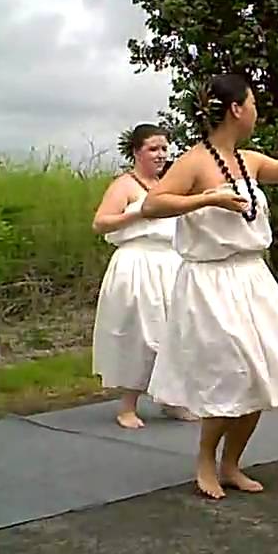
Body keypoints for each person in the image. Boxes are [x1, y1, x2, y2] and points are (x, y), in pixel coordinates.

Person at [137, 74, 278, 500]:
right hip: (211, 281)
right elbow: (153, 204)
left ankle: (232, 463)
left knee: (262, 373)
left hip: (252, 278)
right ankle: (206, 460)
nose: (258, 111)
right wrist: (206, 199)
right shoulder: (194, 161)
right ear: (237, 109)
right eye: (254, 103)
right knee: (230, 370)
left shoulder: (249, 160)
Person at [91, 123, 196, 429]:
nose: (161, 154)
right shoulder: (124, 185)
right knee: (138, 334)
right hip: (137, 263)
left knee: (176, 333)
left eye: (164, 148)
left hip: (171, 263)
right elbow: (100, 223)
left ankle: (172, 399)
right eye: (153, 148)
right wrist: (139, 212)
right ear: (137, 152)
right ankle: (127, 405)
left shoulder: (168, 184)